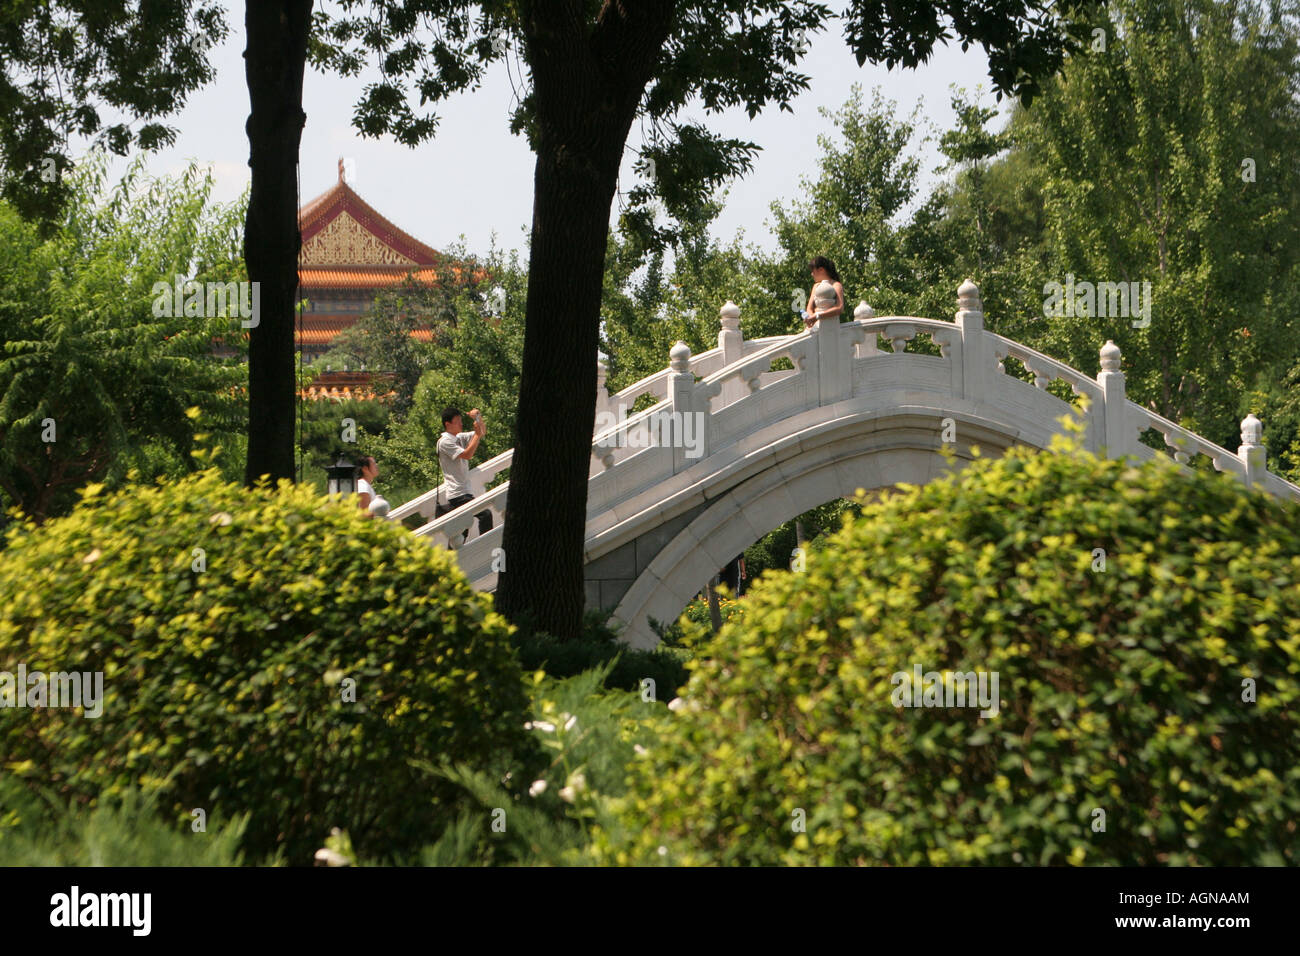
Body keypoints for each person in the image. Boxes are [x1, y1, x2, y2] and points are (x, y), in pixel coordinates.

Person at [436, 406, 493, 542]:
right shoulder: (444, 442)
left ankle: (451, 558)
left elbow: (482, 432)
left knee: (462, 532)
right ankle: (487, 546)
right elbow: (467, 455)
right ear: (448, 424)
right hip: (457, 494)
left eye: (461, 420)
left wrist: (478, 418)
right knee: (485, 514)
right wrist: (477, 434)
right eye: (457, 421)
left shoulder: (458, 437)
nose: (461, 423)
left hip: (463, 492)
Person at [803, 256, 845, 329]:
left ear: (821, 270)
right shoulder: (816, 286)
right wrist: (811, 318)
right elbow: (809, 308)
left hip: (830, 326)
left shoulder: (836, 285)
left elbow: (840, 308)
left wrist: (818, 316)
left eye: (813, 271)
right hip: (815, 326)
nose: (812, 274)